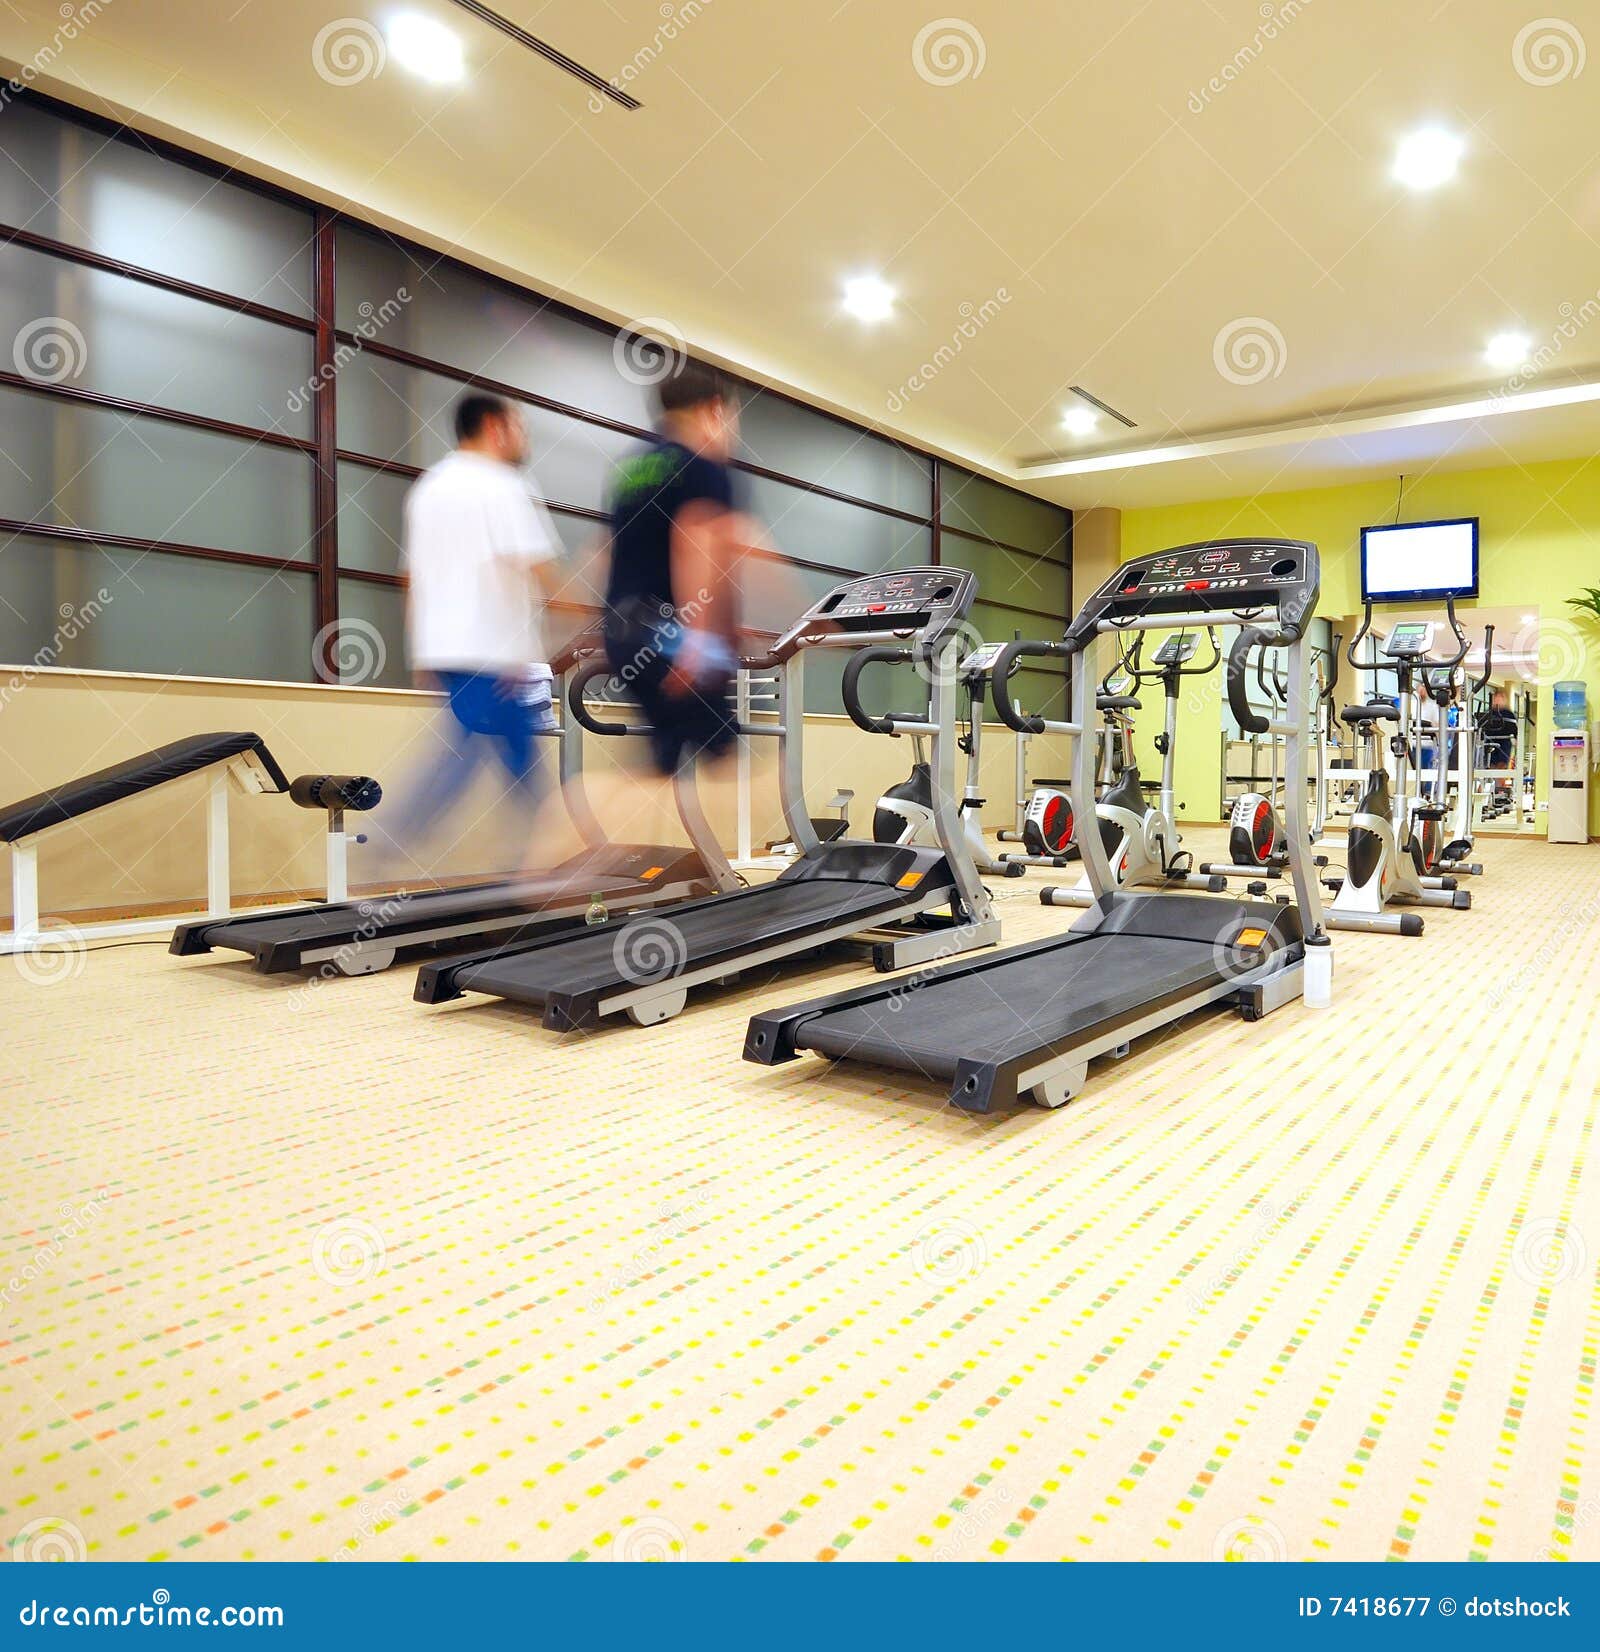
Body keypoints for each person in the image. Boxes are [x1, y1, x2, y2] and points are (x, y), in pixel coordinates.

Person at [383, 393, 563, 876]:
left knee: (504, 751)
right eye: (519, 426)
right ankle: (384, 842)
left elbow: (410, 576)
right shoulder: (502, 483)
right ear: (494, 427)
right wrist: (591, 615)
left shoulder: (430, 486)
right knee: (483, 756)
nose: (524, 438)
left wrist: (420, 653)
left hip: (448, 649)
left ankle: (537, 860)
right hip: (491, 650)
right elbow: (535, 564)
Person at [602, 361, 752, 778]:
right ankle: (582, 805)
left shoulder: (632, 469)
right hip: (669, 635)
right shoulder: (702, 467)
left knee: (667, 762)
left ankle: (602, 813)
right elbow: (696, 547)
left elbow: (604, 551)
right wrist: (698, 642)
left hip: (623, 633)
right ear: (715, 410)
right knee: (729, 764)